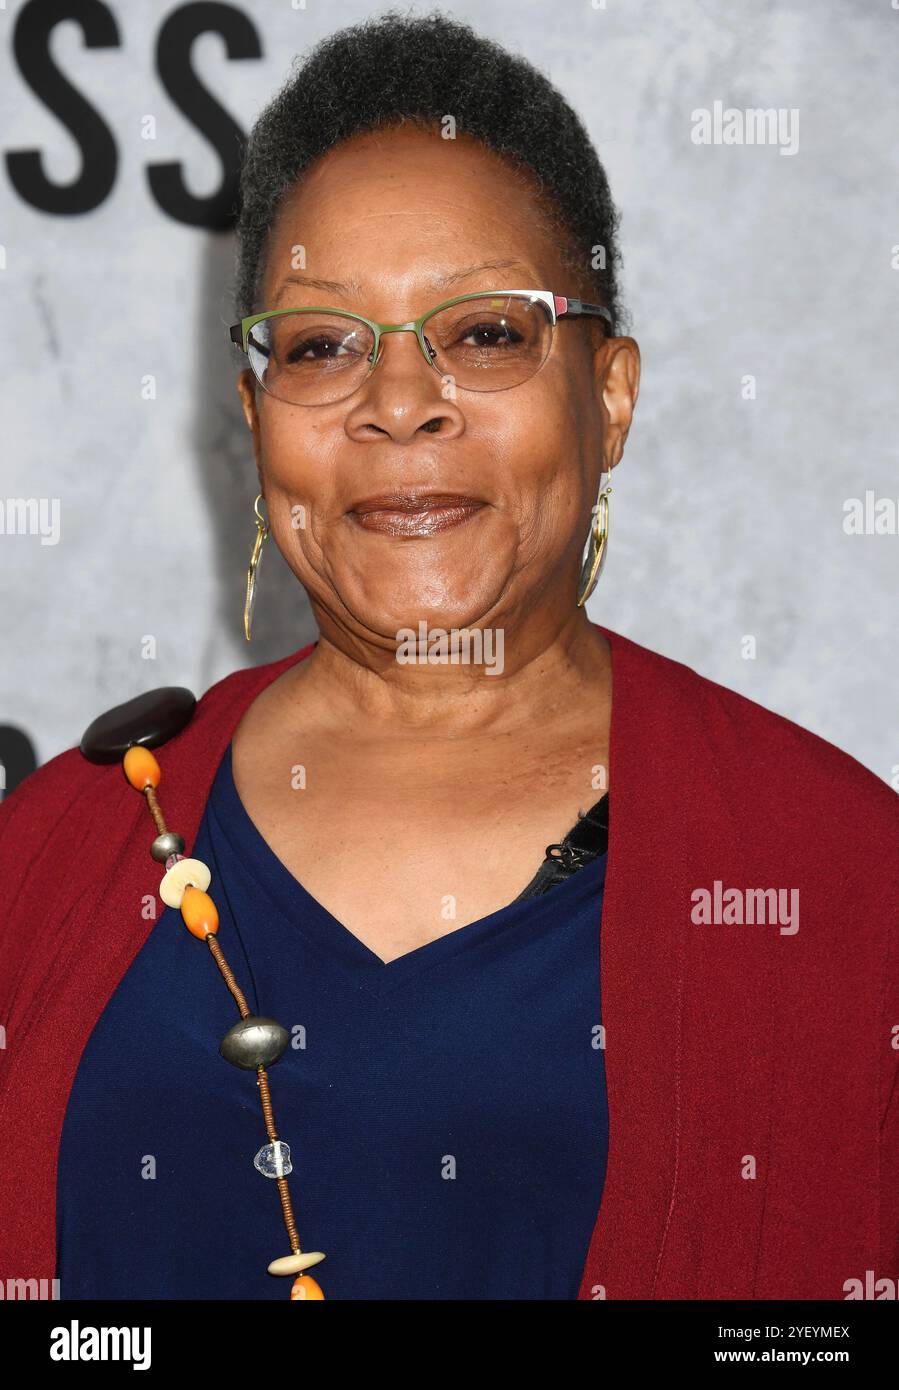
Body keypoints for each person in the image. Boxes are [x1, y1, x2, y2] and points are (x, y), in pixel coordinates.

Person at [0, 10, 897, 1302]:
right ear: (254, 420)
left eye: (486, 331)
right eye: (320, 345)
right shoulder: (63, 845)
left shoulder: (840, 876)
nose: (401, 400)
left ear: (611, 394)